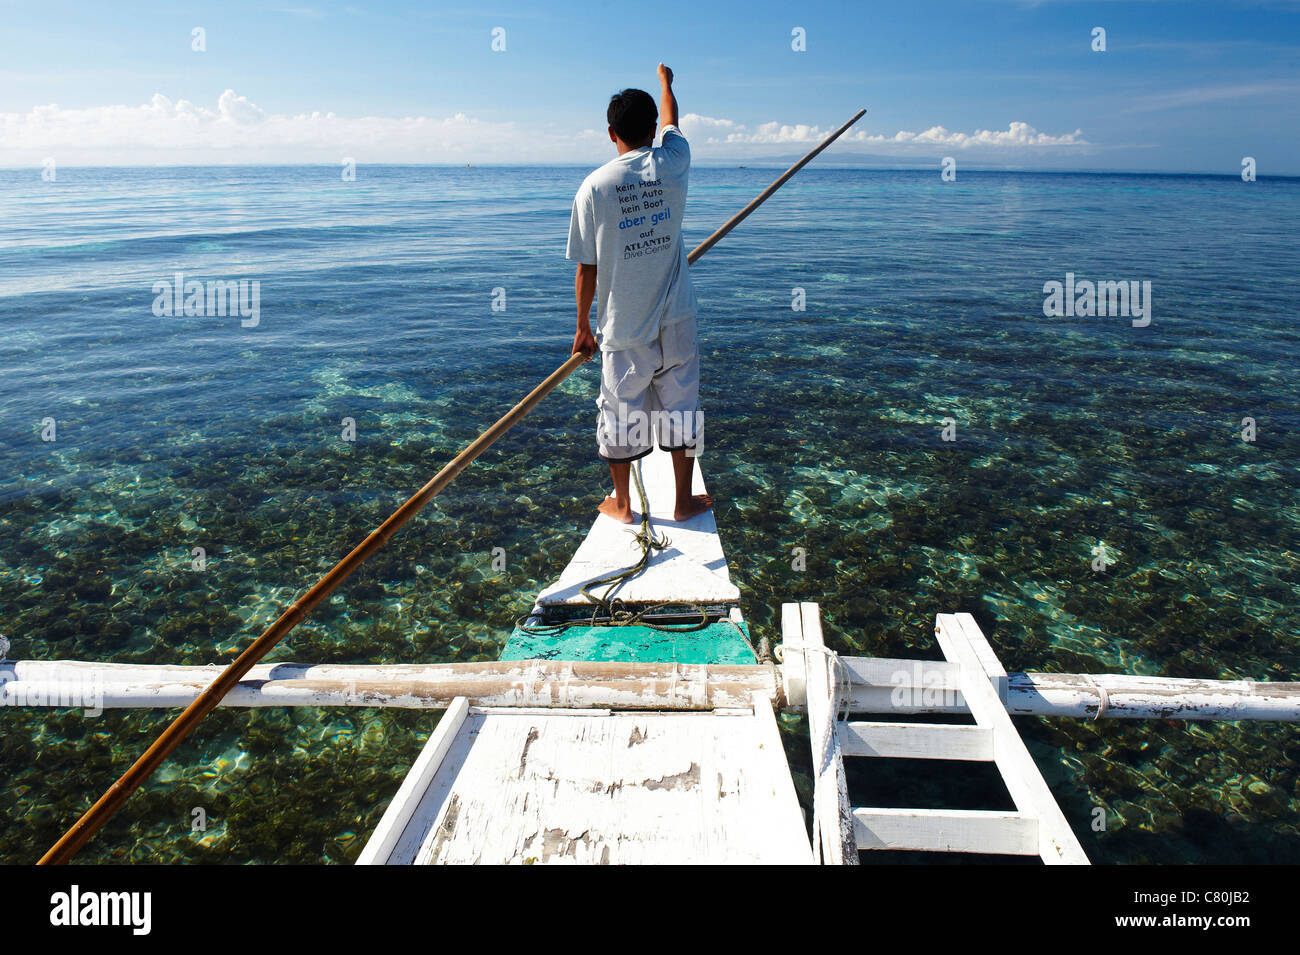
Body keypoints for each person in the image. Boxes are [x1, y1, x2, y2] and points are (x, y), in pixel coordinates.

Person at [567, 63, 711, 524]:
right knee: (682, 406)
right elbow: (672, 116)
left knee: (619, 413)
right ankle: (683, 502)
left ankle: (624, 506)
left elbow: (587, 268)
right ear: (653, 130)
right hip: (678, 321)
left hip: (624, 327)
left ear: (611, 133)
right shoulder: (674, 161)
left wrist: (583, 328)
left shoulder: (594, 187)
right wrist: (667, 82)